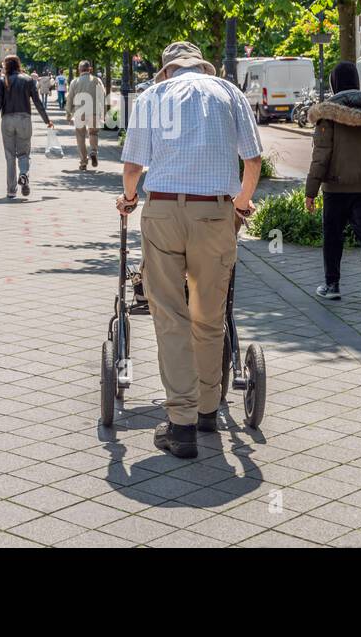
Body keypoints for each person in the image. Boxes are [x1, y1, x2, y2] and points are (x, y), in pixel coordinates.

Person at [117, 41, 262, 459]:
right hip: (214, 215)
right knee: (209, 316)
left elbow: (132, 168)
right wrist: (240, 205)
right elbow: (252, 162)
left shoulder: (152, 97)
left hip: (162, 211)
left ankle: (180, 426)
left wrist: (129, 199)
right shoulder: (229, 92)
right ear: (203, 66)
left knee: (169, 314)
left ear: (166, 71)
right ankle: (207, 411)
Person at [304, 61, 361, 316]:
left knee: (333, 235)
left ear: (334, 83)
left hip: (336, 188)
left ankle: (332, 285)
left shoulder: (326, 114)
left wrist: (310, 191)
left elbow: (321, 156)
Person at [0, 55, 52, 198]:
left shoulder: (1, 80)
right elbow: (37, 102)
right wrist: (47, 120)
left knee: (10, 156)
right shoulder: (28, 79)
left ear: (6, 66)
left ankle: (11, 190)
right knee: (24, 154)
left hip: (7, 120)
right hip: (24, 119)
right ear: (19, 64)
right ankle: (23, 174)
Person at [67, 60, 105, 171]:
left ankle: (83, 162)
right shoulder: (97, 80)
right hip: (94, 112)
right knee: (93, 133)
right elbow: (102, 96)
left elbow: (69, 98)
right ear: (90, 69)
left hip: (79, 113)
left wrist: (68, 114)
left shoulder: (75, 82)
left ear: (79, 70)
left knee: (80, 137)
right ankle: (93, 151)